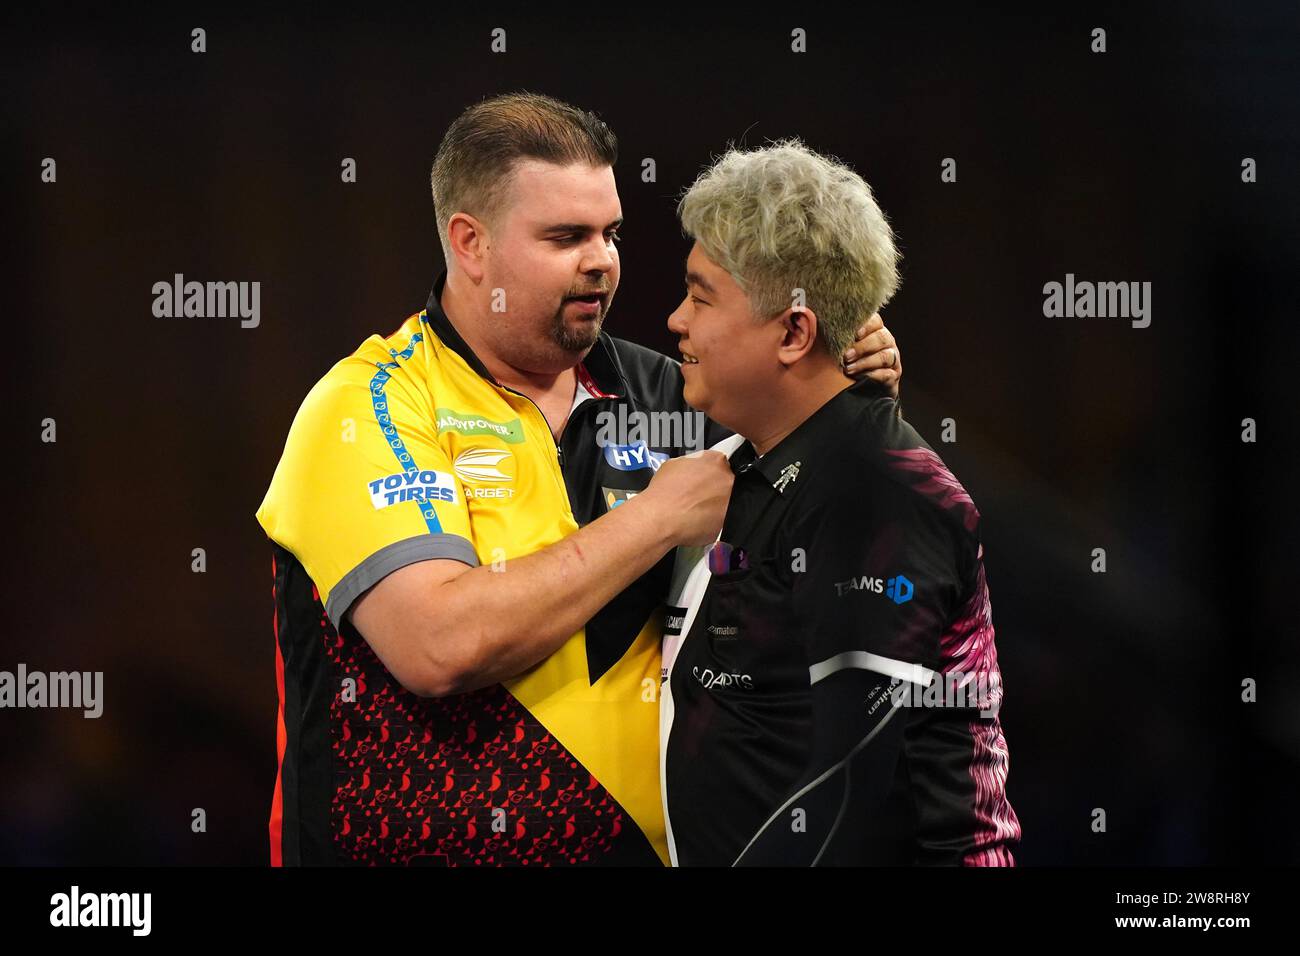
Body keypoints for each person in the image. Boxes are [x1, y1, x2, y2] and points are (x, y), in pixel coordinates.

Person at [255, 94, 905, 865]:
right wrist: (659, 518)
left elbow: (846, 566)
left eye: (610, 232)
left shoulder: (675, 396)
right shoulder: (368, 407)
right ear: (471, 244)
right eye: (566, 236)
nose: (602, 259)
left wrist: (847, 399)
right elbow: (439, 645)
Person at [660, 139, 1021, 866]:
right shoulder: (754, 462)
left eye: (701, 296)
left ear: (794, 331)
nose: (676, 320)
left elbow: (847, 790)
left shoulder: (884, 493)